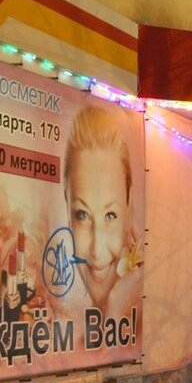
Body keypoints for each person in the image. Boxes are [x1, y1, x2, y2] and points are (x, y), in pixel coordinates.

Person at [64, 105, 142, 314]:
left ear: (129, 209)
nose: (97, 251)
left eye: (110, 215)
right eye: (82, 215)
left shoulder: (149, 323)